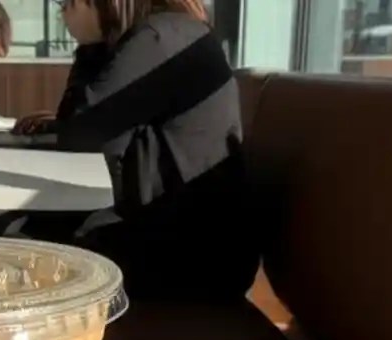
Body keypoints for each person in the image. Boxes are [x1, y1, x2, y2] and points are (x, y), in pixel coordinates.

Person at [13, 0, 257, 302]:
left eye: (69, 2)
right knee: (24, 232)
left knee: (14, 243)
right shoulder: (172, 32)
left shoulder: (158, 37)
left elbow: (80, 139)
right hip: (191, 240)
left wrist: (89, 46)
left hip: (193, 257)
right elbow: (88, 131)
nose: (62, 12)